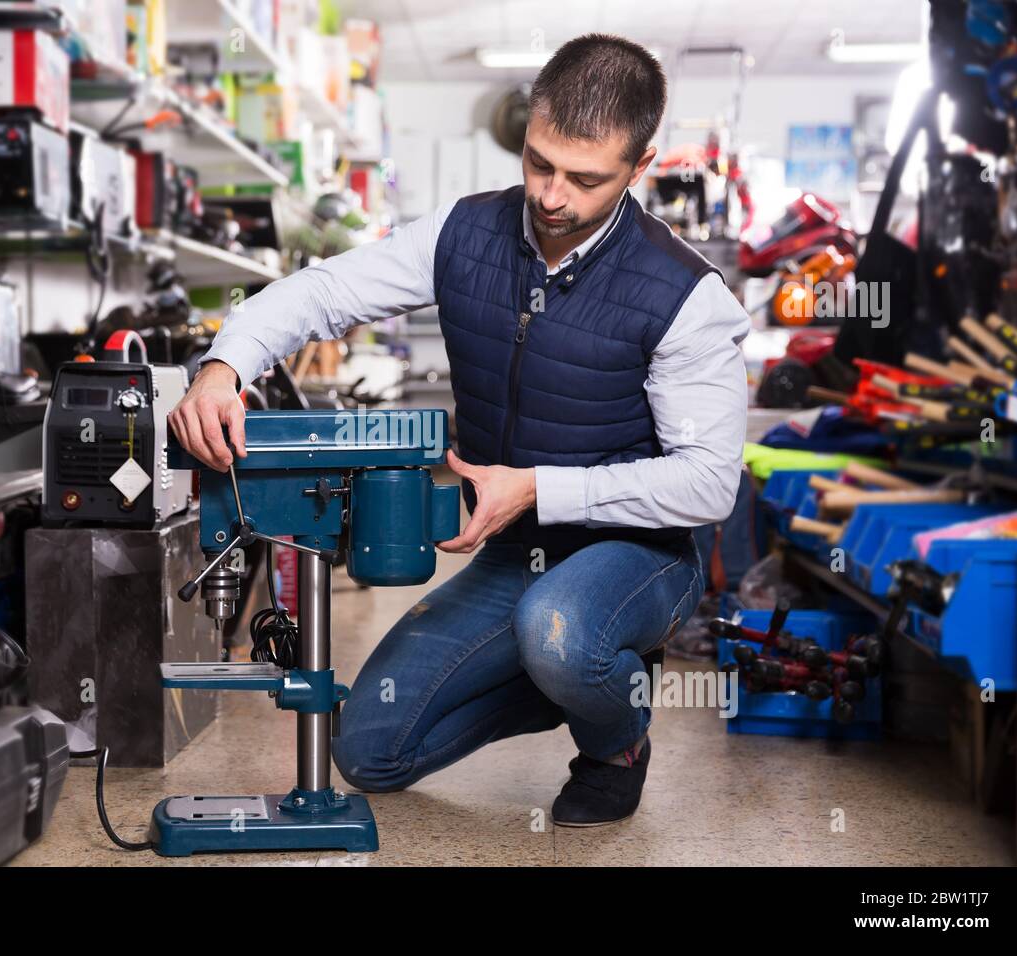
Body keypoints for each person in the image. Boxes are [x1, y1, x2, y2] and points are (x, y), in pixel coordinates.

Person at [169, 33, 749, 826]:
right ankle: (566, 668)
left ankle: (615, 738)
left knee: (560, 627)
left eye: (585, 179)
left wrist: (539, 488)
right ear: (530, 126)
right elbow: (326, 291)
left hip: (638, 554)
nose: (551, 195)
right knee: (367, 751)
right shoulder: (463, 234)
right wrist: (223, 364)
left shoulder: (683, 294)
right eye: (539, 162)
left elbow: (710, 483)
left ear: (638, 168)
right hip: (517, 551)